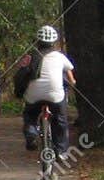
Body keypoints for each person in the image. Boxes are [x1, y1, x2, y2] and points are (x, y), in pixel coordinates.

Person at [16, 24, 76, 153]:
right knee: (60, 119)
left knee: (30, 115)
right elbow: (71, 77)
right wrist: (71, 84)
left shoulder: (29, 56)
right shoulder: (60, 56)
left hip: (33, 95)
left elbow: (20, 73)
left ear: (37, 41)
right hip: (54, 95)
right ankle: (61, 151)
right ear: (54, 42)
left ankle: (31, 134)